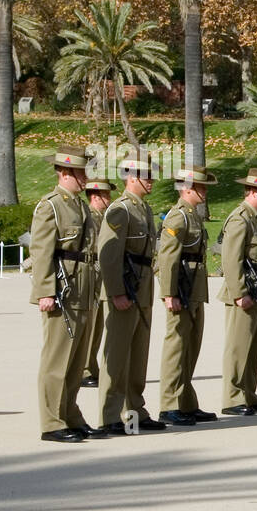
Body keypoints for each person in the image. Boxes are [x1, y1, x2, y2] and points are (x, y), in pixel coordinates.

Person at [31, 146, 102, 442]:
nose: (87, 177)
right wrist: (45, 291)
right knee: (57, 360)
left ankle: (71, 414)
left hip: (83, 289)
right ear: (65, 173)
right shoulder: (51, 206)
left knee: (76, 361)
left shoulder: (80, 205)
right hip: (63, 289)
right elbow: (41, 251)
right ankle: (51, 422)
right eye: (82, 171)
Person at [97, 156, 164, 434]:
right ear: (131, 177)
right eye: (146, 175)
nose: (151, 180)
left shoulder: (144, 210)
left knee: (138, 354)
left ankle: (135, 410)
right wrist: (116, 293)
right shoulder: (120, 210)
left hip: (142, 288)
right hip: (125, 289)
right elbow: (110, 255)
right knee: (117, 355)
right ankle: (110, 415)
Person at [157, 165, 218, 426]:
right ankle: (169, 403)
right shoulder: (178, 216)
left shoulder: (193, 216)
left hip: (193, 288)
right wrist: (169, 293)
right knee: (176, 347)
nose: (204, 192)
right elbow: (167, 257)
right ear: (187, 188)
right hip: (181, 288)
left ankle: (186, 402)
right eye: (201, 187)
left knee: (191, 346)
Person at [219, 167, 257, 416]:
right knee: (238, 347)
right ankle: (232, 397)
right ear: (253, 191)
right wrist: (238, 293)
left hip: (256, 292)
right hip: (243, 293)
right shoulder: (239, 218)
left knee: (252, 347)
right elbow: (231, 259)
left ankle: (248, 393)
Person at [80, 176, 114, 388]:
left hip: (101, 275)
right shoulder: (89, 217)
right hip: (92, 273)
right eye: (105, 195)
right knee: (91, 324)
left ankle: (91, 366)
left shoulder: (102, 217)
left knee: (98, 324)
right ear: (95, 196)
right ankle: (84, 369)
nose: (109, 199)